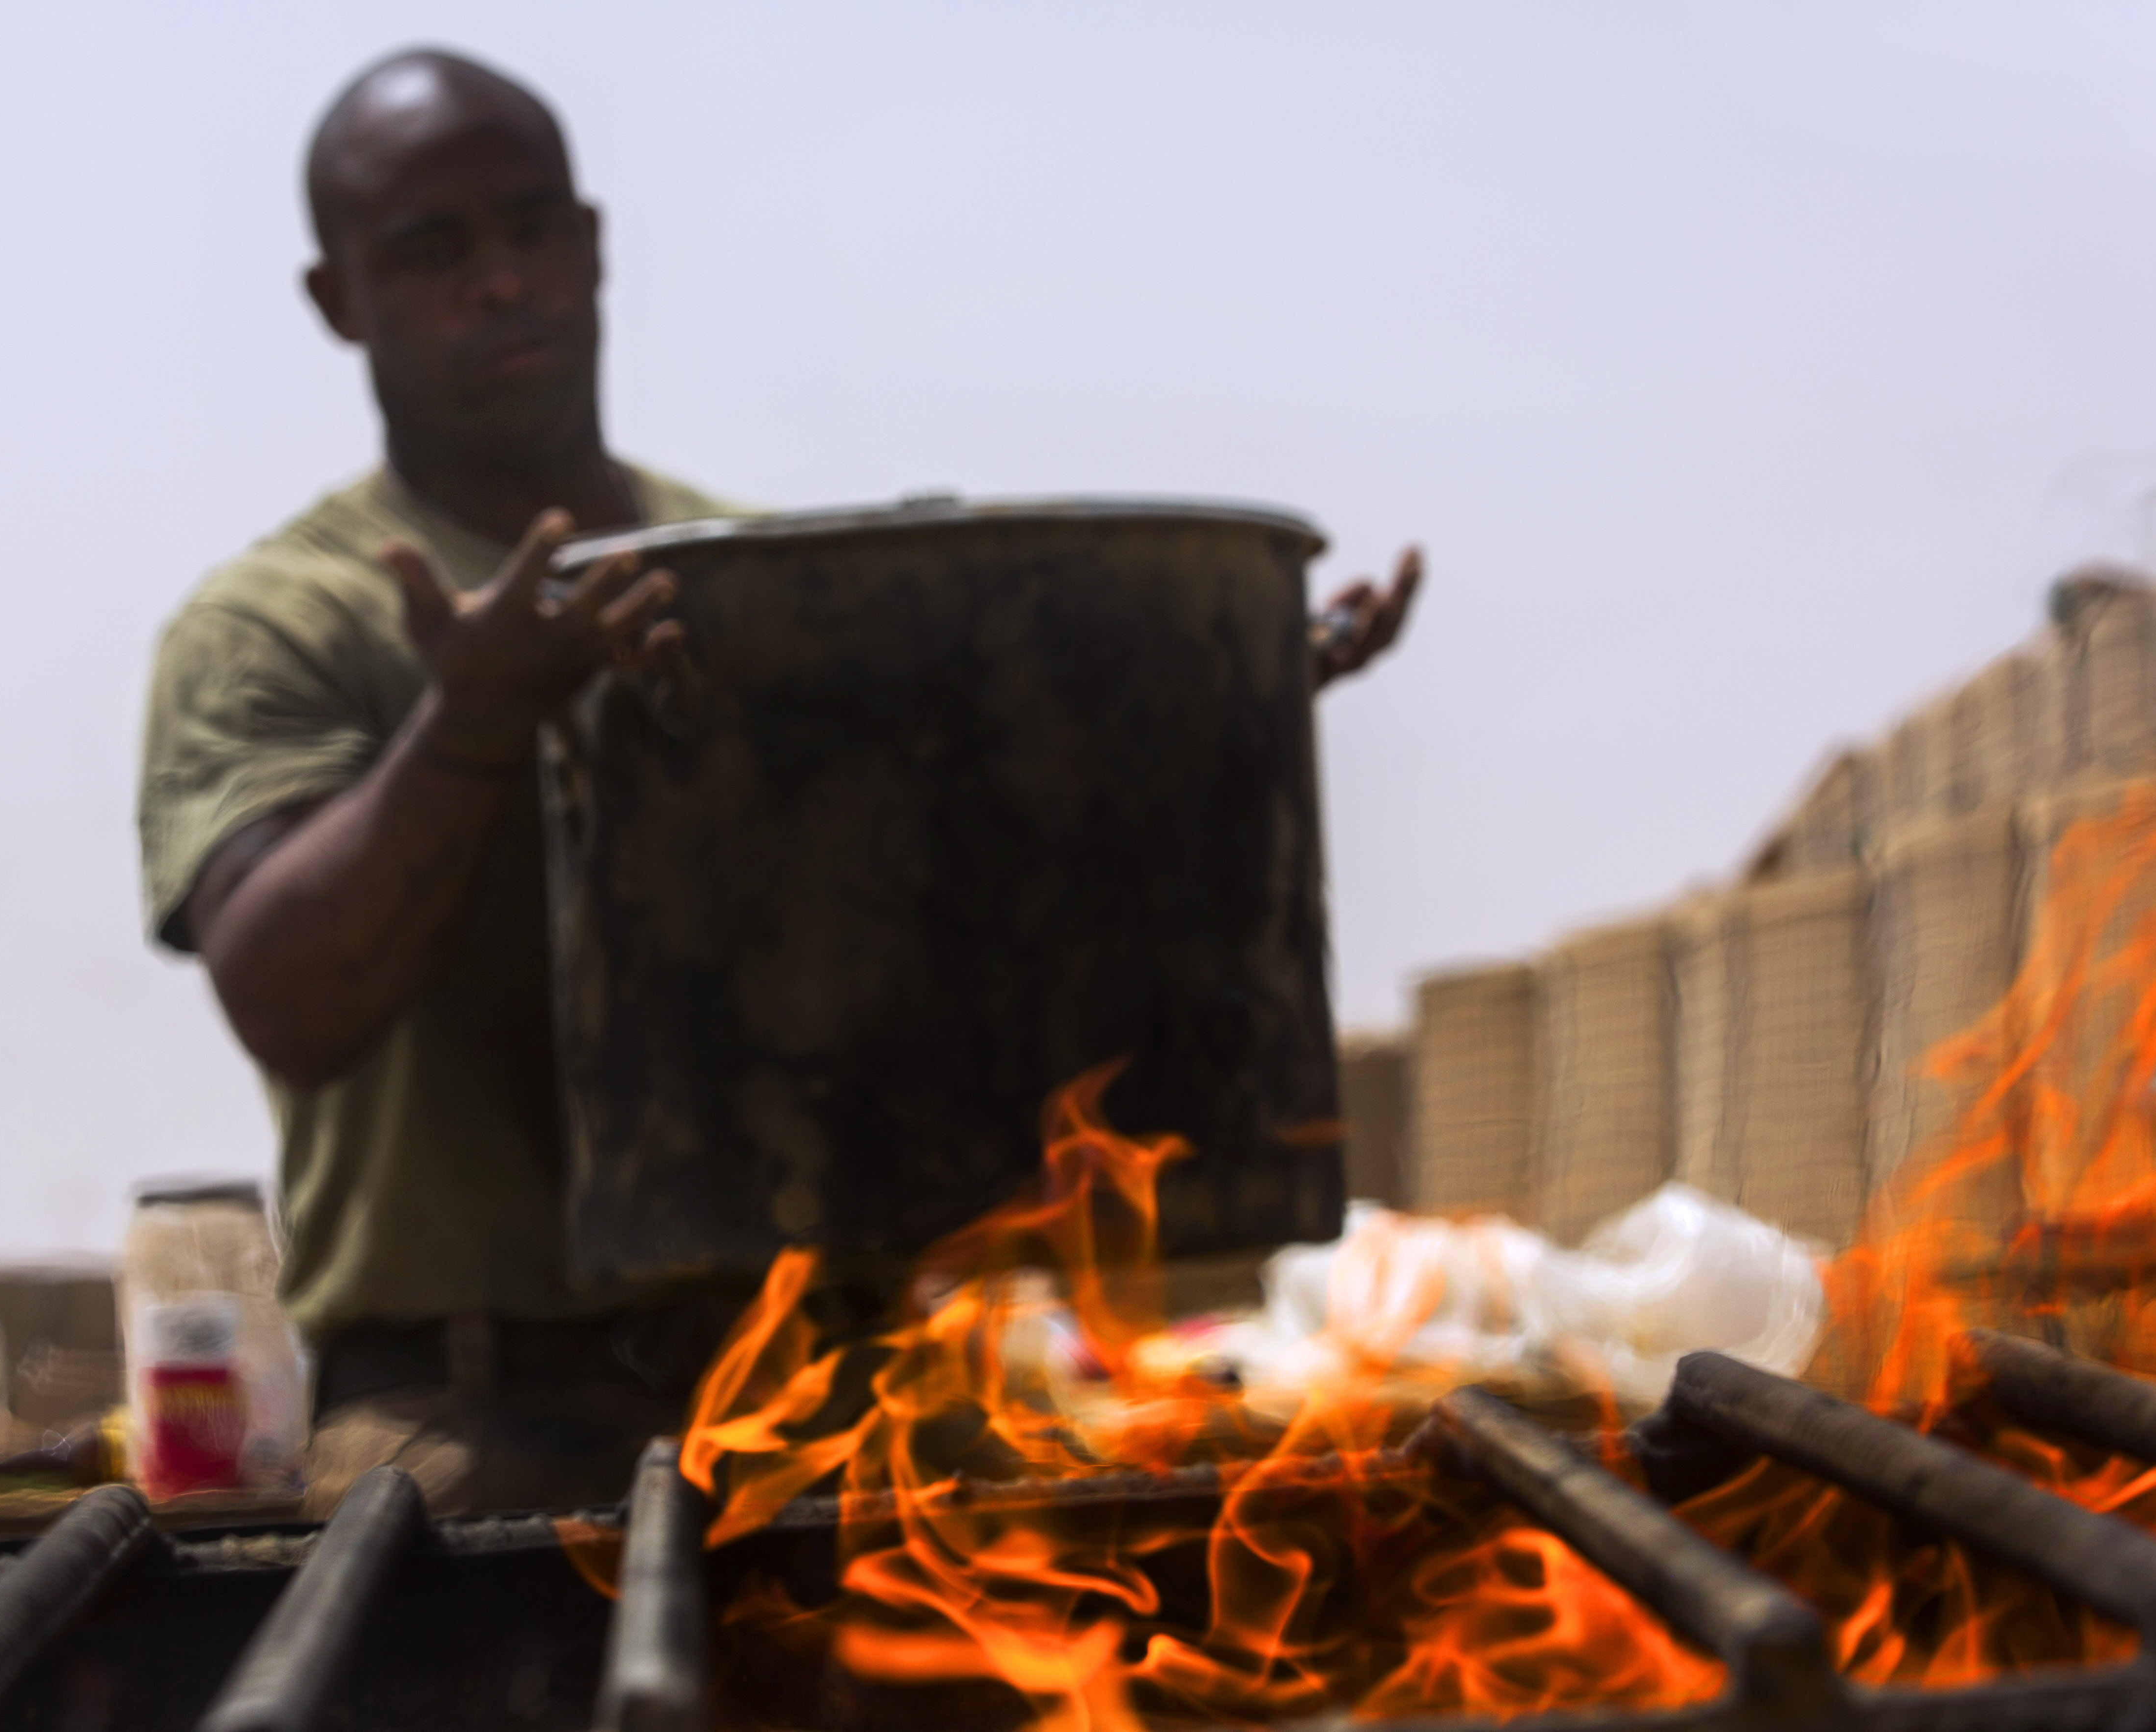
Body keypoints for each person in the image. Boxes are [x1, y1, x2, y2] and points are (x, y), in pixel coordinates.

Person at [138, 46, 1422, 1517]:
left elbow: (982, 911)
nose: (498, 280)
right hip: (483, 1423)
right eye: (432, 251)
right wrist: (474, 725)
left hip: (836, 1395)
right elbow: (287, 998)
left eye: (528, 227)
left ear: (592, 243)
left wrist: (1182, 705)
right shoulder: (285, 622)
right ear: (338, 301)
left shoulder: (771, 582)